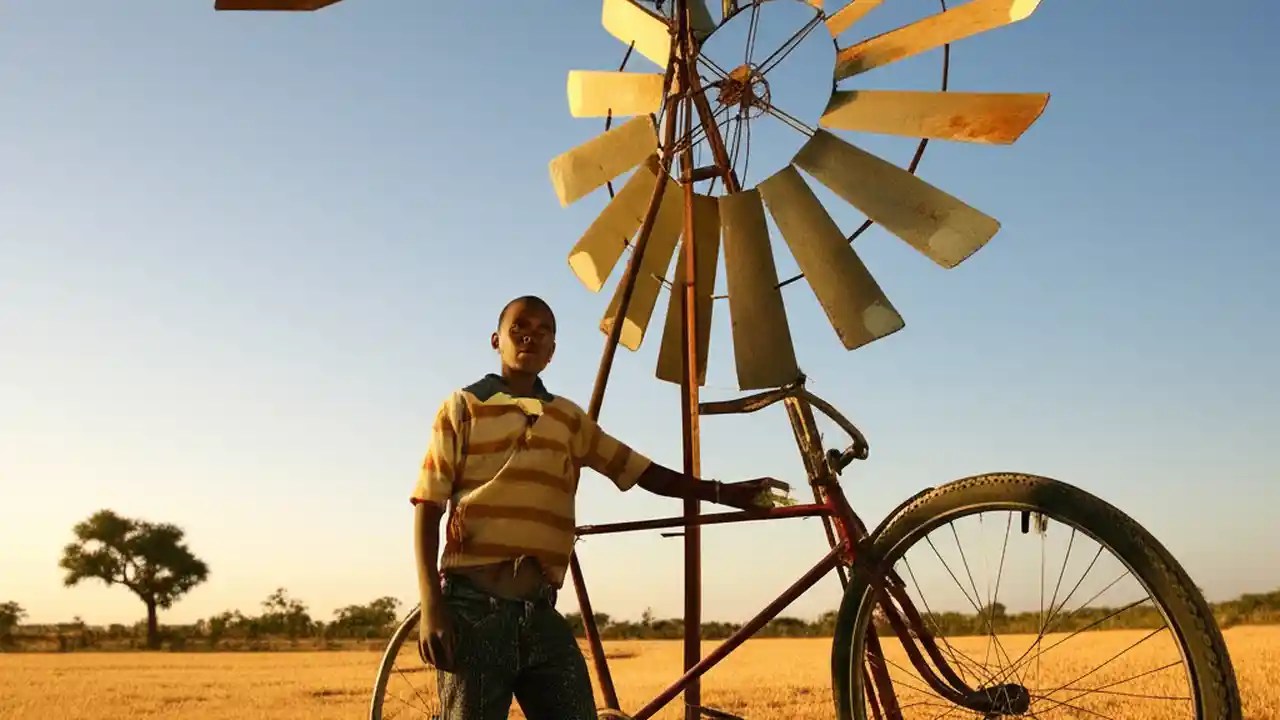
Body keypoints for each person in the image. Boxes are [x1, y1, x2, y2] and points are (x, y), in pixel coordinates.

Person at [410, 294, 786, 720]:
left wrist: (721, 492)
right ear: (497, 339)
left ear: (552, 352)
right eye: (520, 328)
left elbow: (640, 469)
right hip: (475, 609)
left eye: (543, 331)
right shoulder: (462, 408)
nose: (531, 335)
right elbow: (428, 505)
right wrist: (432, 606)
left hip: (540, 613)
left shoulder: (569, 420)